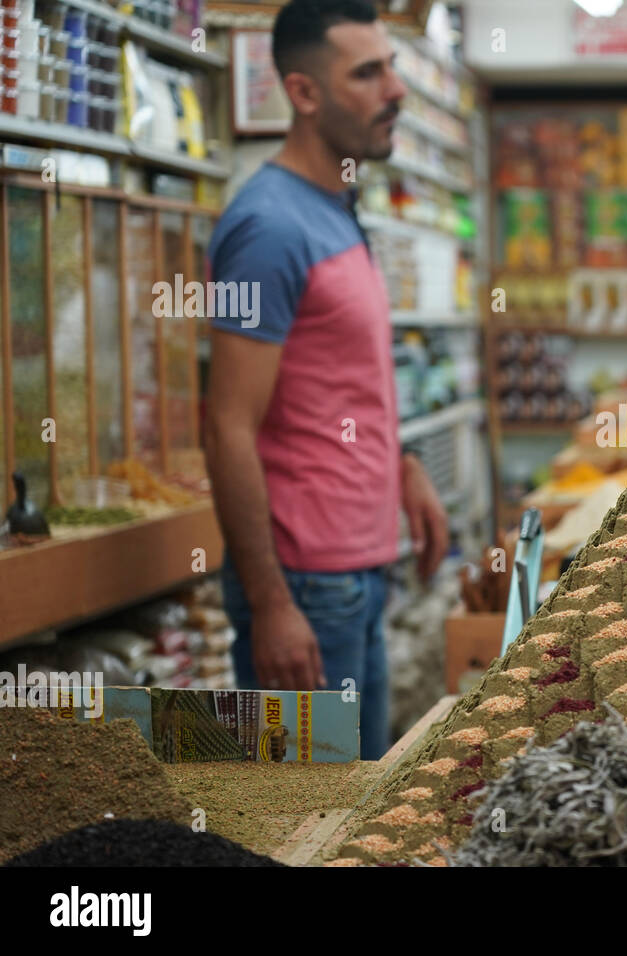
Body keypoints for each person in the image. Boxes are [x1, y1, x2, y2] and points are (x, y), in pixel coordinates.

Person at [202, 0, 449, 760]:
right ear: (305, 93)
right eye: (367, 73)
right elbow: (227, 425)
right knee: (305, 825)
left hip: (357, 575)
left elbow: (338, 384)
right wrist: (273, 604)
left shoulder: (337, 209)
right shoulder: (270, 227)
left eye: (393, 68)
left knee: (352, 816)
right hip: (306, 588)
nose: (396, 91)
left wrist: (400, 466)